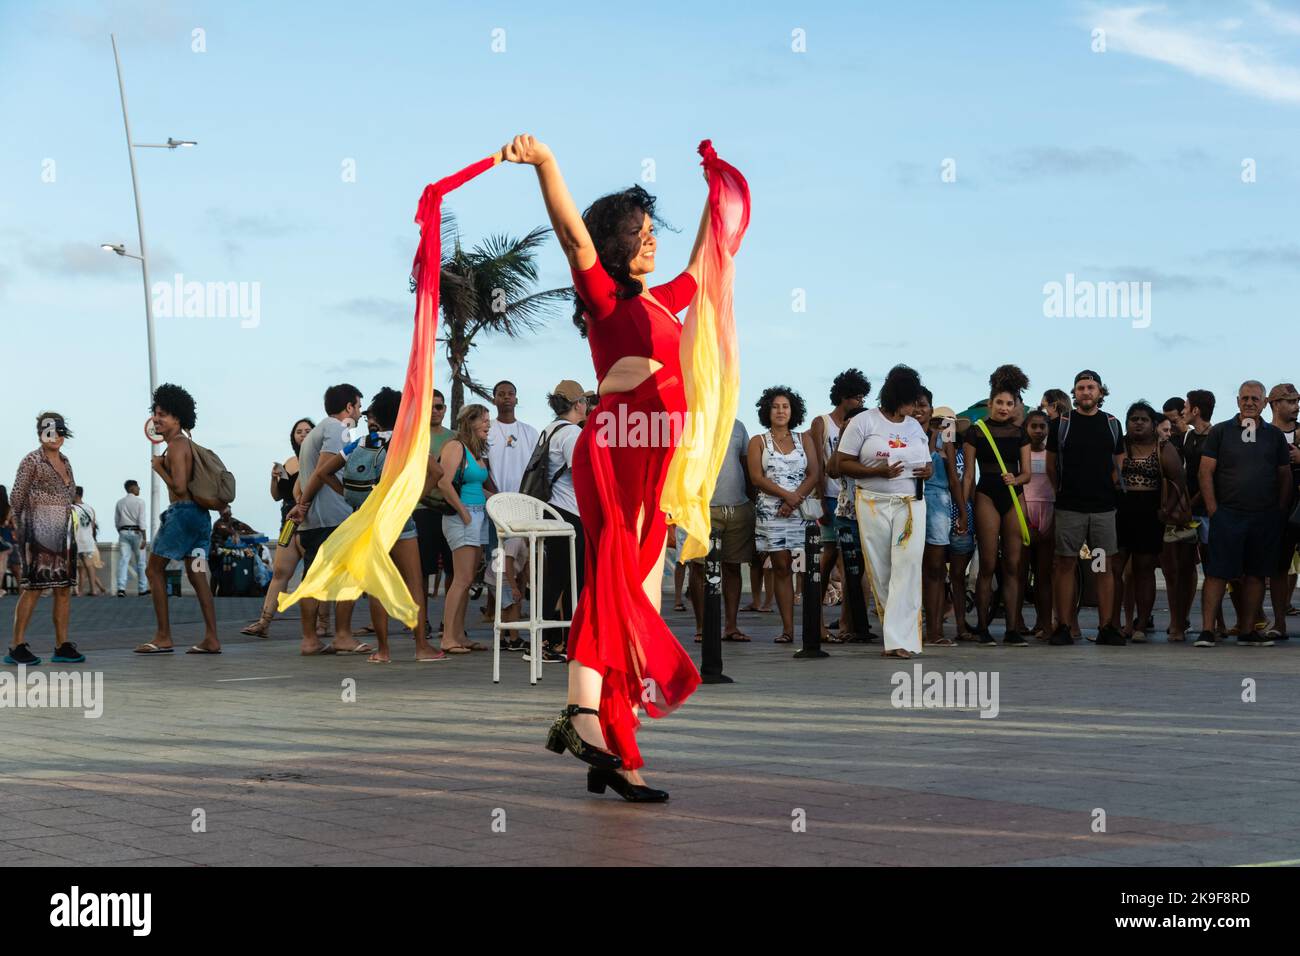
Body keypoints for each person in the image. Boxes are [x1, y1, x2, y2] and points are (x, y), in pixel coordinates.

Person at [506, 131, 712, 802]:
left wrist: (719, 189)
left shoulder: (661, 299)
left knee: (635, 597)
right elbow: (571, 237)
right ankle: (580, 712)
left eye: (652, 230)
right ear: (614, 243)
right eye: (636, 232)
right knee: (616, 581)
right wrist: (547, 163)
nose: (649, 241)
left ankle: (619, 756)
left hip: (657, 457)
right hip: (620, 445)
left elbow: (709, 262)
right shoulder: (606, 297)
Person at [340, 387, 444, 663]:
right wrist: (413, 498)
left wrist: (347, 496)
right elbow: (438, 472)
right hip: (400, 519)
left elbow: (325, 470)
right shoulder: (406, 444)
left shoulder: (361, 442)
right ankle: (421, 646)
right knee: (413, 584)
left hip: (370, 521)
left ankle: (383, 650)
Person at [834, 364, 932, 659]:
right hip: (873, 502)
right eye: (910, 401)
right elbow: (841, 463)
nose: (914, 408)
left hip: (911, 503)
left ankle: (902, 637)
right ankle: (894, 637)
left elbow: (926, 462)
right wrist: (875, 472)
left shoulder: (914, 427)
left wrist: (927, 470)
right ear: (895, 397)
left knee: (909, 566)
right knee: (881, 569)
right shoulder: (864, 422)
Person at [1195, 381, 1292, 648]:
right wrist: (1214, 510)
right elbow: (1205, 472)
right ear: (1238, 400)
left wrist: (1279, 511)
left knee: (1256, 574)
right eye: (1245, 398)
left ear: (1264, 403)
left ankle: (1248, 629)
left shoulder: (1273, 436)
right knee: (1217, 573)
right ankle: (1206, 630)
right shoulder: (1221, 432)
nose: (1250, 403)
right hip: (1228, 514)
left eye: (1255, 399)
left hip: (1264, 516)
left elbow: (1284, 476)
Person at [131, 384, 222, 655]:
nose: (157, 418)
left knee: (153, 570)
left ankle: (163, 636)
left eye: (163, 414)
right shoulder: (188, 445)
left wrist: (160, 468)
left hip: (182, 515)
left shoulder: (176, 447)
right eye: (156, 413)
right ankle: (212, 638)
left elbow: (180, 488)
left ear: (178, 418)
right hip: (200, 519)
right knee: (197, 575)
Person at [282, 384, 370, 656]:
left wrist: (301, 504)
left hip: (315, 521)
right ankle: (343, 635)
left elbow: (308, 474)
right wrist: (304, 503)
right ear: (348, 407)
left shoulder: (315, 433)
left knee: (312, 579)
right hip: (333, 516)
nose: (359, 413)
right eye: (358, 407)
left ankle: (310, 640)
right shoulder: (337, 429)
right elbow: (323, 471)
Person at [1045, 370, 1127, 646]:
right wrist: (1063, 490)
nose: (1086, 392)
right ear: (1074, 393)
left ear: (1101, 392)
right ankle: (1064, 626)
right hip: (1070, 507)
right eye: (1081, 387)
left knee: (1103, 566)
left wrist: (1107, 485)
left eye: (1091, 387)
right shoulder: (1062, 424)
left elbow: (1120, 461)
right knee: (1065, 564)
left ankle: (1106, 627)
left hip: (1103, 509)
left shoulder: (1112, 424)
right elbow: (1050, 465)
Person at [5, 412, 83, 665]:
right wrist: (20, 528)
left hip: (63, 532)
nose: (55, 435)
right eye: (49, 430)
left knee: (63, 589)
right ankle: (16, 646)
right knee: (33, 589)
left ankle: (62, 645)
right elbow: (16, 497)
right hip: (37, 531)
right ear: (40, 432)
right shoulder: (32, 461)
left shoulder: (66, 461)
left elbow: (70, 495)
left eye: (59, 430)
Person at [962, 365, 1033, 647]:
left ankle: (1013, 629)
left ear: (1016, 406)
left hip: (1013, 496)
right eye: (999, 403)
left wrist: (1015, 478)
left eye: (1009, 403)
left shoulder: (1020, 433)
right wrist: (964, 509)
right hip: (986, 495)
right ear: (990, 404)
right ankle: (982, 627)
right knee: (988, 564)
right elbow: (968, 474)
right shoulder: (976, 432)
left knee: (1015, 565)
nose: (1004, 408)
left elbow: (1028, 474)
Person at [747, 386, 820, 645]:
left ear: (793, 411)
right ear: (767, 410)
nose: (780, 411)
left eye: (785, 406)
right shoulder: (758, 441)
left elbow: (814, 473)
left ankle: (816, 627)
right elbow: (756, 477)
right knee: (781, 567)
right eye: (776, 406)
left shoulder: (804, 439)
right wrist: (785, 496)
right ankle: (788, 629)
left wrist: (793, 499)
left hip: (799, 511)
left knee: (809, 569)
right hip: (771, 513)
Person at [1111, 401, 1186, 642]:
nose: (1139, 423)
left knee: (1144, 570)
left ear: (1154, 424)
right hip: (1119, 512)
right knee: (1115, 569)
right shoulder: (1119, 445)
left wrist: (1167, 510)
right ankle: (1113, 623)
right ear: (1127, 422)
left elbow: (1178, 481)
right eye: (1134, 419)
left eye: (1144, 419)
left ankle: (1141, 624)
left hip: (1150, 514)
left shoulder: (1163, 447)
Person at [809, 369, 869, 639]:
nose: (861, 402)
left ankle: (848, 623)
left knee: (851, 562)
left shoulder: (861, 422)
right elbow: (817, 465)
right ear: (844, 397)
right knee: (830, 557)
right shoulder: (822, 422)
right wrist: (821, 502)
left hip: (854, 498)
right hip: (831, 497)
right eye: (857, 397)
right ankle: (817, 619)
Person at [685, 419, 756, 643]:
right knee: (698, 568)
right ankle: (702, 627)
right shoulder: (690, 422)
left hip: (737, 507)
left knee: (732, 567)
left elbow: (745, 465)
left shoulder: (738, 426)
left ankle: (731, 626)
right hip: (701, 508)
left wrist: (753, 503)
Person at [241, 417, 314, 637]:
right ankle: (264, 622)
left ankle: (322, 624)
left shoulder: (322, 458)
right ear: (293, 436)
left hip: (313, 521)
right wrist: (274, 479)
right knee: (280, 572)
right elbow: (277, 496)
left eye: (307, 430)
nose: (303, 434)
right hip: (289, 522)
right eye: (299, 431)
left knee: (313, 575)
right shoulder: (290, 461)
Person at [536, 380, 589, 664]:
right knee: (571, 579)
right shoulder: (571, 434)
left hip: (551, 510)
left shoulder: (549, 430)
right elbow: (582, 473)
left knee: (557, 577)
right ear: (578, 404)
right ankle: (555, 641)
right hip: (569, 514)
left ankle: (553, 640)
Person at [437, 403, 494, 654]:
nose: (488, 425)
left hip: (478, 515)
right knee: (460, 579)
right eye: (483, 420)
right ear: (469, 421)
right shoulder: (455, 446)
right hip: (464, 516)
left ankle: (459, 634)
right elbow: (444, 483)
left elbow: (476, 486)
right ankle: (447, 637)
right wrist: (463, 512)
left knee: (468, 578)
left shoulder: (476, 451)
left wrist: (501, 499)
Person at [486, 379, 539, 629]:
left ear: (516, 399)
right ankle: (500, 614)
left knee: (521, 559)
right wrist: (496, 498)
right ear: (494, 399)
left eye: (510, 394)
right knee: (497, 559)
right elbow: (485, 466)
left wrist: (527, 497)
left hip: (524, 506)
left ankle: (513, 614)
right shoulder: (489, 431)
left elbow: (536, 469)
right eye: (501, 394)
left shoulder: (529, 431)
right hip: (496, 505)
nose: (506, 397)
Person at [915, 393, 962, 646]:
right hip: (910, 499)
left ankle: (935, 631)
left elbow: (954, 477)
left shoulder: (945, 435)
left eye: (923, 405)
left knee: (935, 569)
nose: (918, 410)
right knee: (910, 569)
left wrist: (962, 512)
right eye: (914, 405)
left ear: (930, 409)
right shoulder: (903, 434)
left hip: (939, 503)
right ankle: (914, 629)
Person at [1176, 390, 1216, 635]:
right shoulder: (1188, 437)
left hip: (1205, 509)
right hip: (1188, 508)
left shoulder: (1216, 436)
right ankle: (1183, 620)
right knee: (1186, 565)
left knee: (1214, 566)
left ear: (1196, 410)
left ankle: (1217, 623)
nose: (1183, 410)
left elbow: (1211, 476)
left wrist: (1193, 501)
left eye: (1187, 405)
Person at [413, 390, 453, 626]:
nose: (435, 411)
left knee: (453, 570)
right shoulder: (414, 438)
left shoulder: (454, 437)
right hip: (422, 509)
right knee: (421, 571)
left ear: (445, 409)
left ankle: (449, 622)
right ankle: (422, 621)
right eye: (430, 407)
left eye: (439, 407)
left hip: (448, 508)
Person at [1266, 383, 1300, 640]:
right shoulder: (1263, 434)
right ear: (1274, 404)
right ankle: (1279, 623)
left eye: (1297, 401)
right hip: (1276, 509)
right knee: (1278, 568)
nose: (1296, 406)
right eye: (1290, 401)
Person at [1022, 409, 1056, 637]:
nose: (1038, 430)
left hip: (1049, 510)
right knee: (1021, 573)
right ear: (1026, 429)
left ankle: (1044, 622)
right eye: (1033, 426)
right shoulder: (1020, 454)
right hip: (1024, 512)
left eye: (1042, 426)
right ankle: (1017, 622)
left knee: (1044, 575)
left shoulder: (1053, 456)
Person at [113, 479, 149, 597]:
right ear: (132, 488)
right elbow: (142, 521)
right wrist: (144, 537)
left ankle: (121, 588)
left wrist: (121, 531)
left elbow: (117, 521)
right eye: (137, 487)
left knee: (123, 561)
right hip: (137, 533)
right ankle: (142, 588)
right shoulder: (140, 502)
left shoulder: (119, 502)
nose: (139, 489)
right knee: (141, 562)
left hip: (123, 532)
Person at [71, 487, 106, 596]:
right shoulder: (90, 509)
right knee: (89, 565)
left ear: (75, 495)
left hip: (75, 540)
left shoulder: (71, 508)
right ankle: (93, 590)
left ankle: (76, 591)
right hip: (88, 540)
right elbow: (93, 525)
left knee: (71, 566)